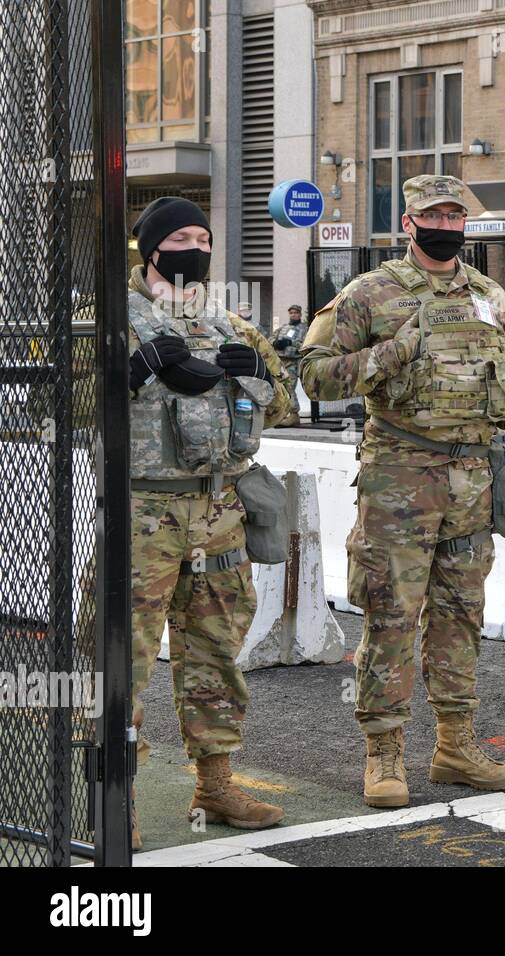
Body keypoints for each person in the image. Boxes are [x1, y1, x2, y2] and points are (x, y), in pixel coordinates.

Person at [300, 175, 505, 806]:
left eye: (457, 215)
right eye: (434, 214)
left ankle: (455, 747)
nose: (448, 225)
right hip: (401, 476)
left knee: (460, 616)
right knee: (391, 616)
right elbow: (315, 374)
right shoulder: (370, 293)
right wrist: (389, 356)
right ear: (409, 223)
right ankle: (384, 754)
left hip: (472, 478)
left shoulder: (489, 294)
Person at [125, 196, 295, 845]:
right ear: (152, 247)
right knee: (123, 656)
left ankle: (215, 783)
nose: (195, 247)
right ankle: (115, 797)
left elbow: (283, 403)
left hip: (219, 509)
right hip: (145, 510)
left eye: (203, 235)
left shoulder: (227, 323)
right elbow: (65, 398)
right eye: (182, 237)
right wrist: (135, 369)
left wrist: (260, 377)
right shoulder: (115, 320)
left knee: (215, 651)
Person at [272, 304, 307, 426]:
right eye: (291, 313)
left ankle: (294, 414)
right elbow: (270, 339)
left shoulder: (305, 329)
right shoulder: (283, 328)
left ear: (300, 314)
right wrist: (276, 343)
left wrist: (291, 342)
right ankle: (284, 414)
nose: (293, 315)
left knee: (289, 387)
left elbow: (307, 345)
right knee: (280, 387)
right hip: (282, 361)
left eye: (296, 313)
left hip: (294, 361)